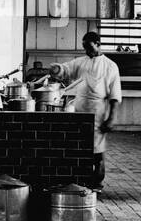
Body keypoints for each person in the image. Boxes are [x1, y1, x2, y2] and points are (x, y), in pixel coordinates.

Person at [50, 31, 122, 189]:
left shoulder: (110, 66)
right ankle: (82, 180)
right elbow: (66, 69)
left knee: (97, 150)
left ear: (98, 44)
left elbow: (115, 96)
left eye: (89, 47)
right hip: (80, 110)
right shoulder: (81, 62)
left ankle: (98, 182)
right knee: (81, 147)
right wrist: (57, 69)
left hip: (98, 112)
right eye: (84, 48)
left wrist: (112, 118)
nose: (87, 51)